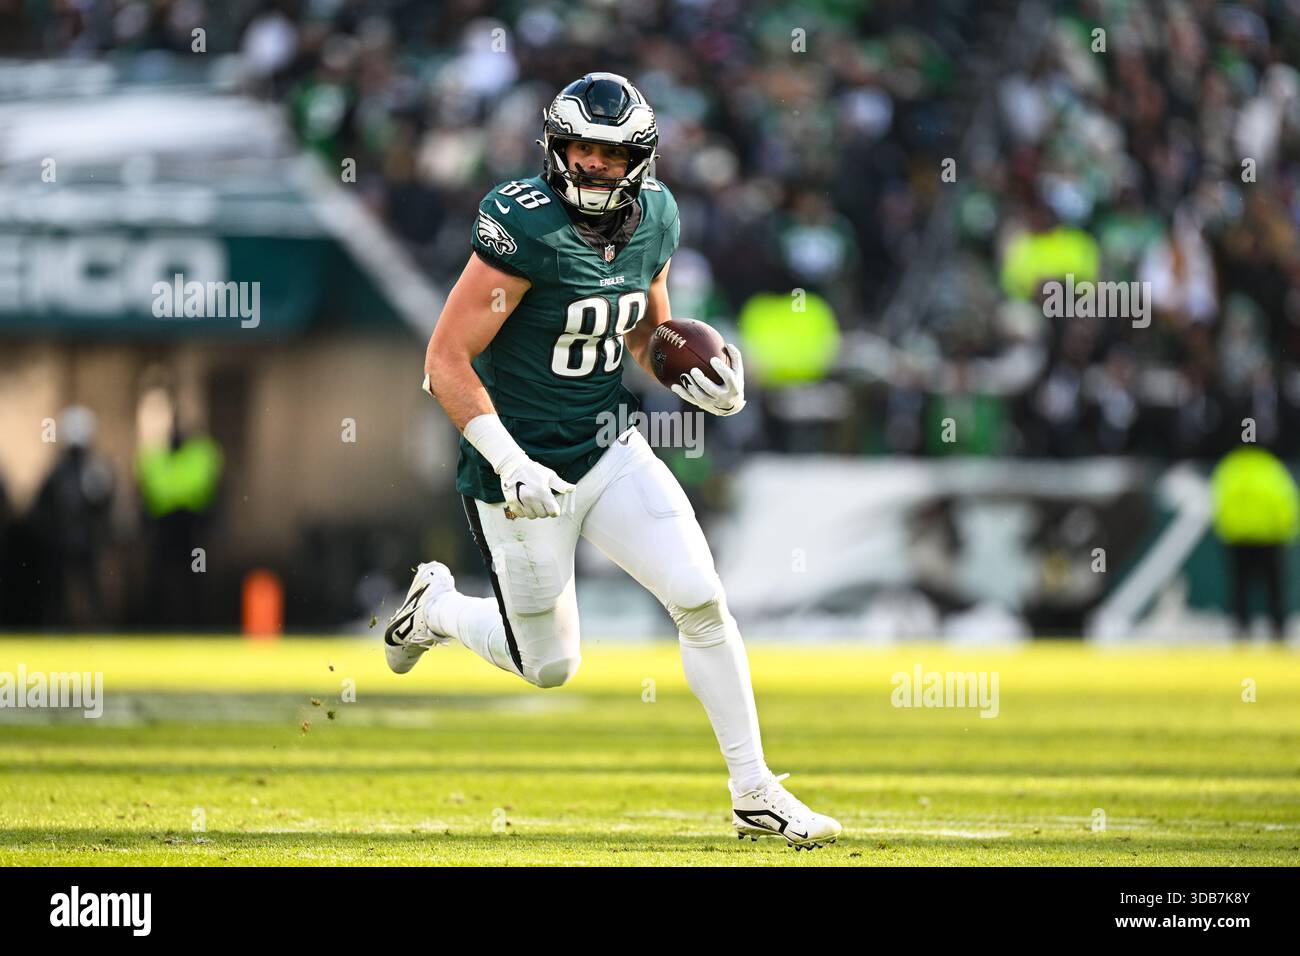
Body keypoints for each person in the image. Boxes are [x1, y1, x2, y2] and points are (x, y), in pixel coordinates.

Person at [385, 73, 841, 849]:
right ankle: (434, 611)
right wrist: (506, 459)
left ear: (642, 159)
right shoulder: (522, 226)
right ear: (555, 148)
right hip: (519, 470)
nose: (593, 164)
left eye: (611, 152)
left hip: (605, 446)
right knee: (551, 666)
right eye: (581, 149)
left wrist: (699, 375)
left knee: (700, 596)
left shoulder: (657, 216)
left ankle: (755, 791)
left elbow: (644, 332)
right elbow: (444, 362)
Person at [1211, 446, 1298, 640]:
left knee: (1240, 586)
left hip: (1239, 536)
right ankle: (1278, 628)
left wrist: (1226, 528)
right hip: (1270, 536)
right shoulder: (1272, 467)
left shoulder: (1230, 467)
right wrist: (1287, 530)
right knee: (1274, 586)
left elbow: (1220, 500)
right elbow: (1285, 500)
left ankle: (1241, 626)